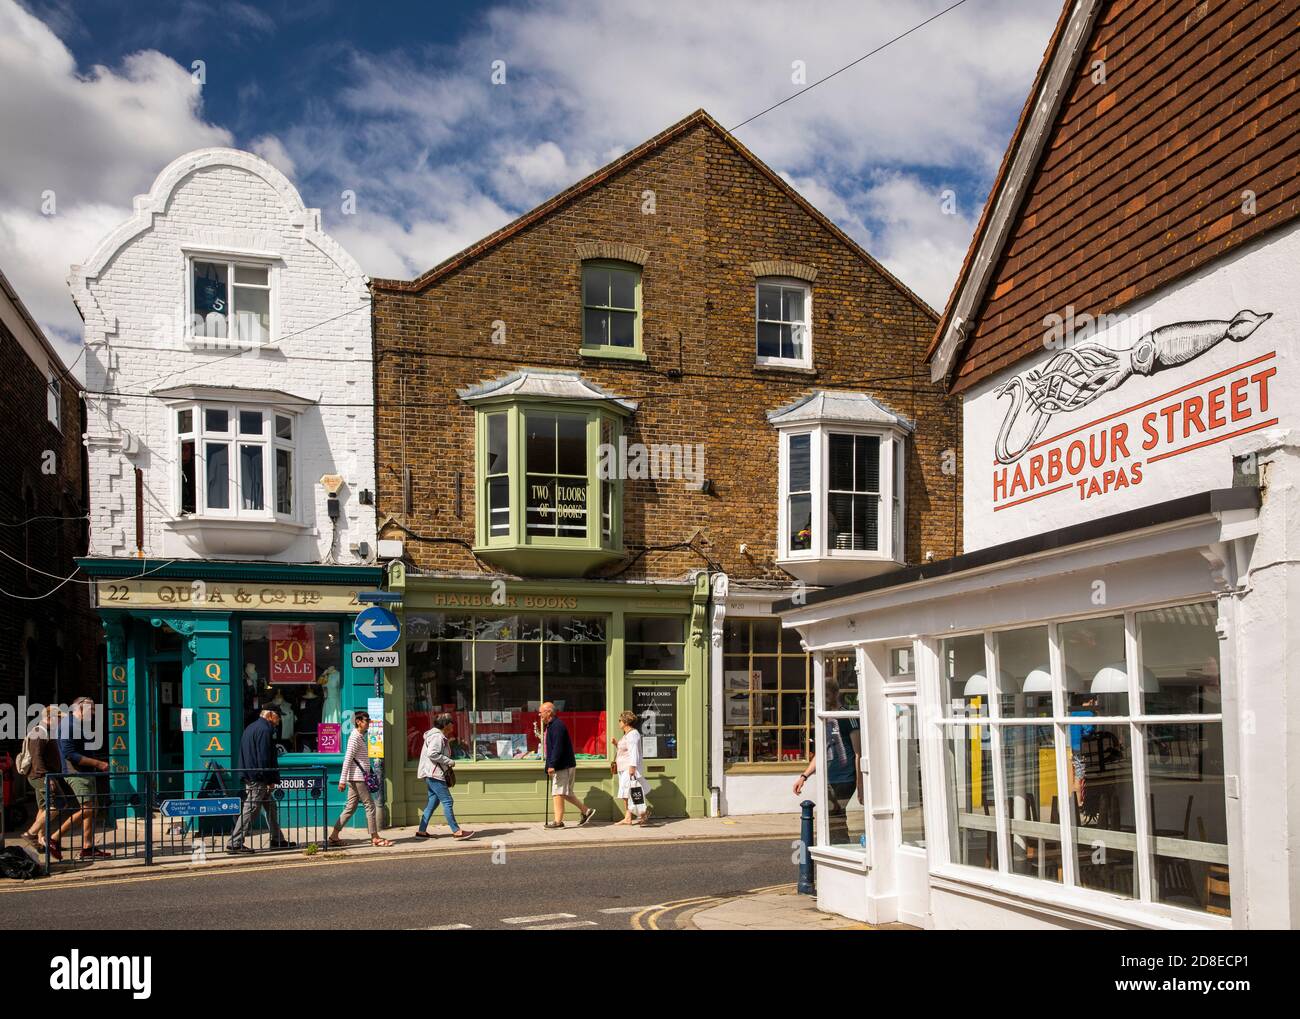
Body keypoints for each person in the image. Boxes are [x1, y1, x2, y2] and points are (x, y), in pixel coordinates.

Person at [228, 706, 296, 854]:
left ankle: (277, 839)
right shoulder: (265, 730)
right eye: (278, 716)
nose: (279, 720)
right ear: (270, 715)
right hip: (258, 778)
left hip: (253, 775)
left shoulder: (252, 727)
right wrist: (269, 779)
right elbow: (264, 757)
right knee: (250, 808)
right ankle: (235, 842)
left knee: (271, 807)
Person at [56, 697, 111, 860]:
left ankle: (88, 847)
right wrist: (98, 763)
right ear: (78, 708)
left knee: (92, 809)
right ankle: (52, 837)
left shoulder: (79, 725)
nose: (93, 713)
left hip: (86, 773)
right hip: (76, 773)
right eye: (91, 709)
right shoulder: (68, 725)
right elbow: (69, 754)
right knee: (87, 809)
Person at [329, 711, 393, 847]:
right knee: (370, 805)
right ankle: (374, 837)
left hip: (356, 777)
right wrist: (341, 780)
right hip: (358, 778)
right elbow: (347, 759)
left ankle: (334, 835)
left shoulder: (359, 737)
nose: (368, 722)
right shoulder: (355, 737)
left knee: (350, 807)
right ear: (358, 721)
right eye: (366, 720)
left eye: (369, 720)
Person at [23, 706, 76, 861]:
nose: (61, 722)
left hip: (45, 775)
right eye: (59, 718)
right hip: (41, 776)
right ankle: (31, 834)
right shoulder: (38, 732)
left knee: (43, 807)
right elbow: (36, 757)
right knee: (57, 805)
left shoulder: (46, 731)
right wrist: (47, 778)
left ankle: (41, 840)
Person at [416, 713, 473, 840]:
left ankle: (421, 831)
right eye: (451, 722)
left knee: (433, 802)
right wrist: (449, 761)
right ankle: (456, 831)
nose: (453, 724)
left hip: (431, 773)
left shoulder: (437, 736)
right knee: (448, 801)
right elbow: (432, 754)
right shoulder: (437, 737)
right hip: (435, 774)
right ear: (446, 725)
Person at [538, 701, 594, 829]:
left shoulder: (557, 726)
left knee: (557, 793)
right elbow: (551, 749)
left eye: (541, 712)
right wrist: (548, 766)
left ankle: (558, 822)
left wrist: (552, 765)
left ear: (549, 712)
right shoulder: (551, 726)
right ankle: (586, 811)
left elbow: (558, 748)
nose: (539, 715)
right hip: (563, 764)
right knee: (565, 793)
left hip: (563, 765)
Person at [611, 710, 650, 826]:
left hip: (629, 769)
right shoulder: (628, 734)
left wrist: (632, 767)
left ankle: (643, 814)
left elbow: (634, 752)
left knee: (632, 793)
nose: (619, 722)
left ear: (625, 722)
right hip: (623, 769)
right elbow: (625, 749)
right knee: (627, 793)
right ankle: (628, 817)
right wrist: (616, 744)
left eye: (620, 720)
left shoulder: (633, 734)